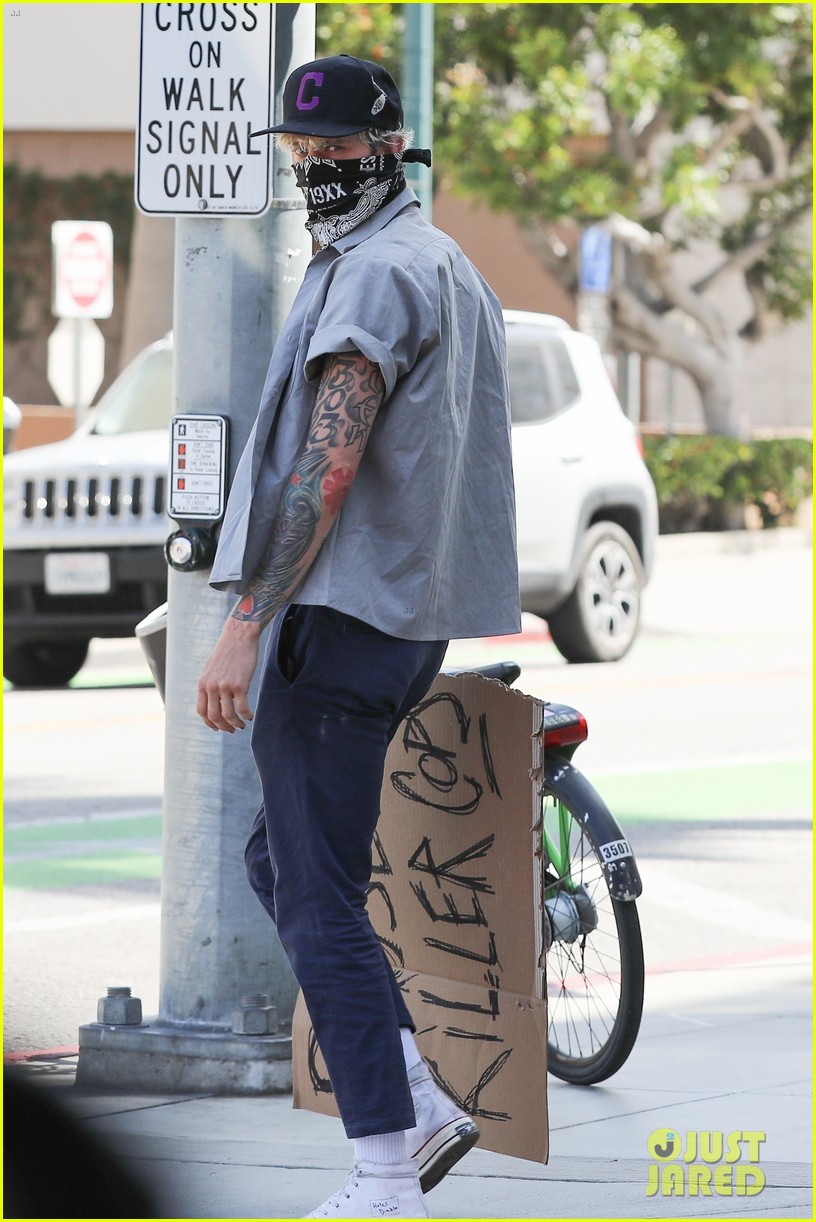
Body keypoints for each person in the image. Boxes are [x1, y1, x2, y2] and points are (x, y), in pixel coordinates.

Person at [197, 54, 520, 1219]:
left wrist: (244, 623)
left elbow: (325, 465)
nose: (314, 168)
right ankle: (417, 1099)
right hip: (399, 625)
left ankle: (385, 1172)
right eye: (301, 151)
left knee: (318, 897)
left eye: (334, 150)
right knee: (279, 865)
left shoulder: (377, 275)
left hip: (336, 623)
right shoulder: (445, 264)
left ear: (389, 148)